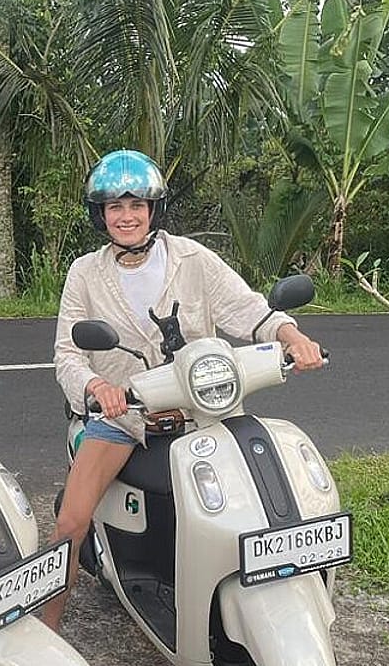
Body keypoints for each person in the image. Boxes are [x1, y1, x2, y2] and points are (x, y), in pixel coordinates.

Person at [41, 149, 325, 632]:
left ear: (154, 210)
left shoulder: (193, 259)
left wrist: (291, 336)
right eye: (115, 207)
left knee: (267, 494)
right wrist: (96, 387)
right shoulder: (84, 274)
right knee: (70, 522)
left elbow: (248, 310)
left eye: (136, 206)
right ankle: (43, 631)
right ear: (101, 215)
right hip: (123, 419)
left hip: (204, 412)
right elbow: (68, 355)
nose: (126, 217)